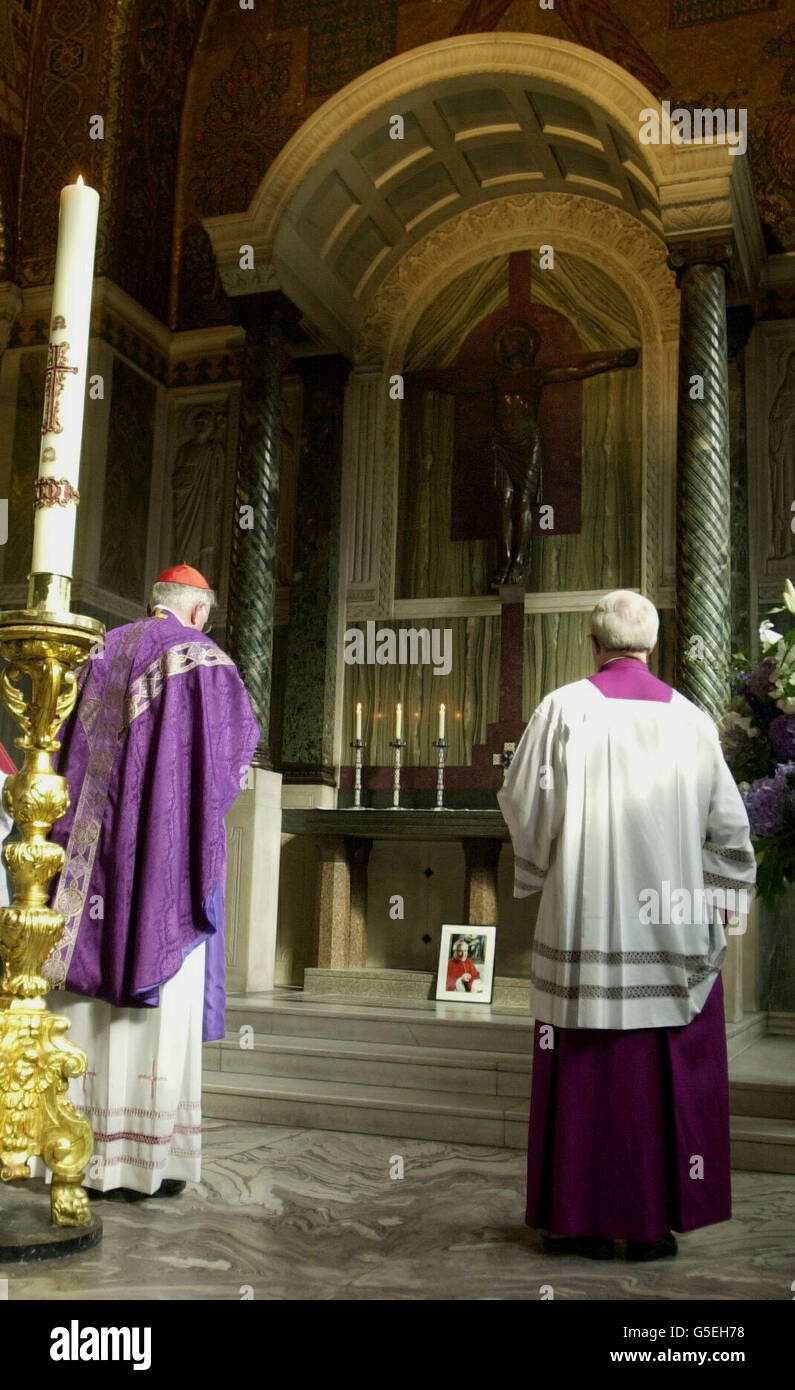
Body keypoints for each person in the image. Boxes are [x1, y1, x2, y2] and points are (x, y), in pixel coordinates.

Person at [498, 590, 756, 1261]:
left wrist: (541, 867)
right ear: (652, 646)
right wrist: (719, 915)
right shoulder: (693, 721)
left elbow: (525, 806)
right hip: (667, 931)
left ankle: (571, 1220)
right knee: (651, 1080)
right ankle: (647, 1227)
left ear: (593, 644)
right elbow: (728, 831)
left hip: (583, 923)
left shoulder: (562, 708)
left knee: (581, 1075)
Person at [39, 564, 259, 1201]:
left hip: (82, 876)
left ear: (153, 604)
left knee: (84, 1009)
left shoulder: (95, 651)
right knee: (153, 993)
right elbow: (227, 763)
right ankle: (145, 1164)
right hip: (160, 868)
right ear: (197, 612)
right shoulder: (202, 659)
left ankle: (73, 1152)